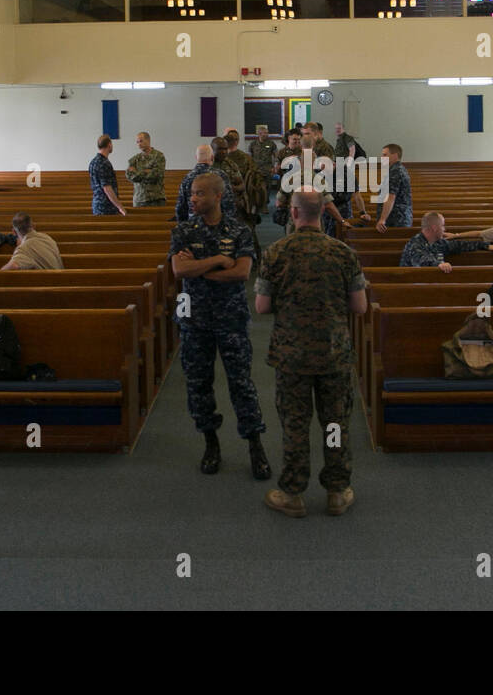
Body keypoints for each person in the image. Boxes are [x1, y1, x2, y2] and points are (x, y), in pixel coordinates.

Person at [256, 189, 369, 518]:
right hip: (334, 354)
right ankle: (336, 491)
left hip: (292, 356)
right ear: (322, 212)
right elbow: (360, 306)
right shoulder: (343, 253)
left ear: (293, 213)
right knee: (334, 424)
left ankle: (292, 493)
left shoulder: (276, 251)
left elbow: (262, 306)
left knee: (295, 424)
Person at [169, 172, 270, 479]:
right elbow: (178, 269)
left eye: (199, 193)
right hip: (194, 320)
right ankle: (210, 443)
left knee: (241, 383)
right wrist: (217, 260)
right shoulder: (184, 230)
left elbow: (241, 273)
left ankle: (255, 445)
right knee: (199, 384)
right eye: (192, 193)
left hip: (231, 319)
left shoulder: (238, 230)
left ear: (216, 196)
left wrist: (199, 269)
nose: (193, 198)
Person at [400, 212, 493, 271]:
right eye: (442, 226)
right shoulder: (415, 243)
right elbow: (422, 259)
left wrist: (485, 245)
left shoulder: (438, 242)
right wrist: (438, 264)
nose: (444, 229)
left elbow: (459, 245)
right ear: (435, 228)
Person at [175, 144, 239, 223]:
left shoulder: (187, 178)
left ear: (196, 157)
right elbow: (229, 204)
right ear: (212, 157)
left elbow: (180, 208)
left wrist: (183, 226)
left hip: (193, 225)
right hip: (216, 224)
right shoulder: (220, 175)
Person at [375, 143, 413, 231]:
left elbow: (390, 197)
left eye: (385, 155)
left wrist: (382, 219)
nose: (382, 157)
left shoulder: (395, 171)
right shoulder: (398, 169)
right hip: (399, 218)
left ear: (395, 155)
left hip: (396, 219)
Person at [89, 135, 128, 216]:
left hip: (97, 204)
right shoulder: (104, 163)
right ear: (109, 144)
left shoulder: (93, 162)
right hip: (106, 207)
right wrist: (120, 207)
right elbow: (107, 188)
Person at [125, 132, 167, 207]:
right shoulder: (134, 159)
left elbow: (156, 175)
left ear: (148, 140)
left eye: (141, 141)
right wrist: (147, 171)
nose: (139, 144)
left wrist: (136, 171)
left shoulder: (159, 156)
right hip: (139, 200)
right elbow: (130, 177)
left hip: (156, 199)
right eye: (137, 142)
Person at [212, 136, 248, 213]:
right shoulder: (208, 164)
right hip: (212, 207)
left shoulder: (231, 164)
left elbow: (242, 185)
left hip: (229, 206)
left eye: (225, 149)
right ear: (212, 149)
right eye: (220, 149)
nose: (224, 152)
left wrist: (232, 188)